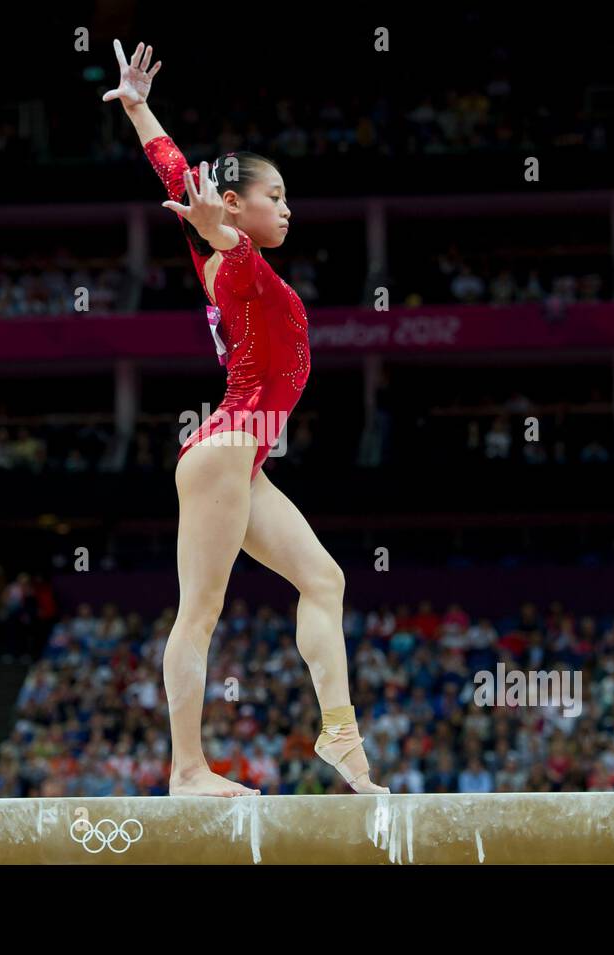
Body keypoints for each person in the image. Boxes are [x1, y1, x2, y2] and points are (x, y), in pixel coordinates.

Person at [105, 39, 387, 797]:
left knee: (322, 578)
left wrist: (137, 106)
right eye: (278, 196)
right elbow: (221, 231)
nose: (288, 207)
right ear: (236, 206)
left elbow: (174, 170)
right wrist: (222, 225)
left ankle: (341, 735)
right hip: (226, 449)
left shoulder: (226, 260)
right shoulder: (239, 266)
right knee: (199, 611)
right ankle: (187, 768)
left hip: (243, 456)